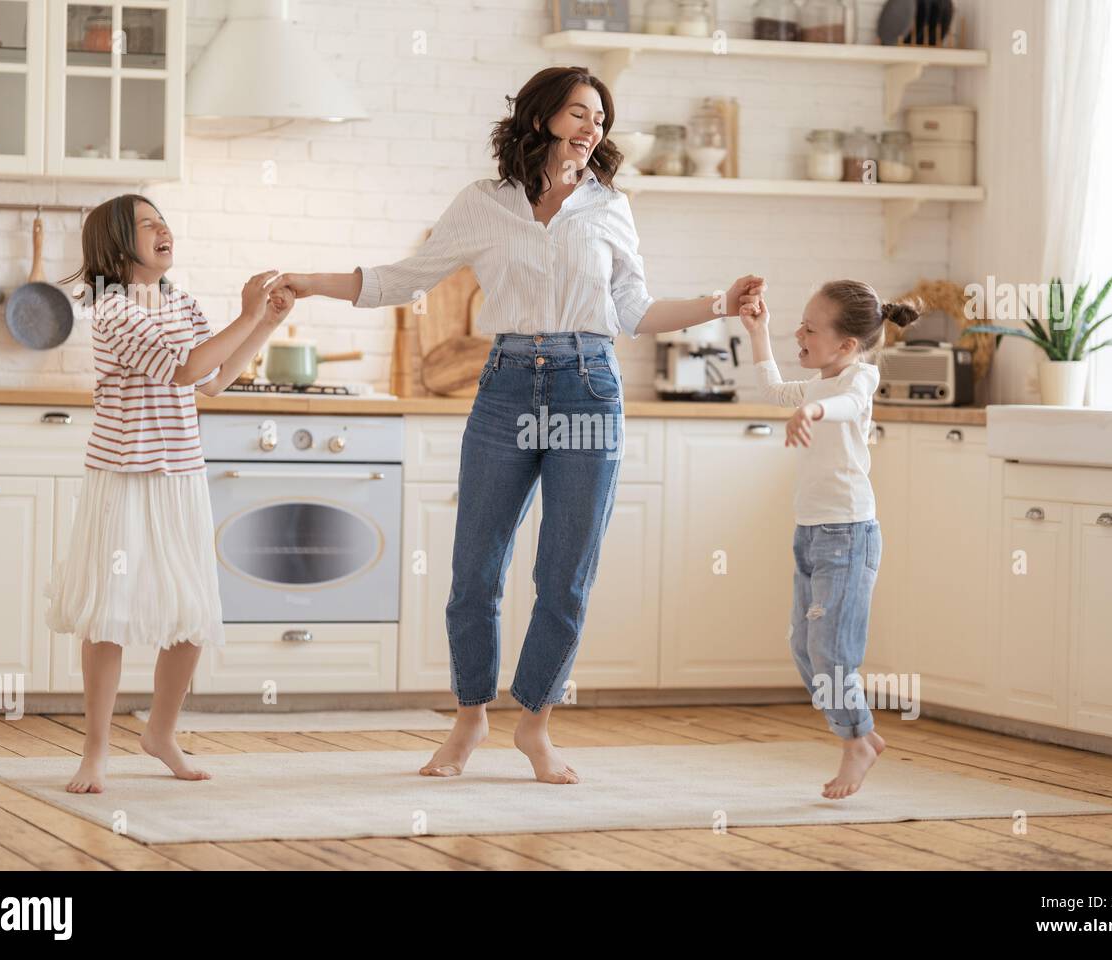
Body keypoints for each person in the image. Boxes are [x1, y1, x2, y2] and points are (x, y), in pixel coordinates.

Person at [275, 66, 765, 783]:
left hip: (589, 385)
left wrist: (719, 302)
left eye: (599, 118)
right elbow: (404, 279)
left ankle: (534, 723)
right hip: (506, 387)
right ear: (539, 118)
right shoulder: (484, 204)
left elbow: (633, 311)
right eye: (577, 113)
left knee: (564, 575)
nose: (591, 127)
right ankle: (469, 718)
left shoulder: (609, 208)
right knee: (475, 571)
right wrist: (310, 280)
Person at [48, 194, 293, 794]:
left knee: (190, 614)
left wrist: (266, 321)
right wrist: (246, 312)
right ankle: (96, 750)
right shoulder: (111, 310)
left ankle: (160, 734)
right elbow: (182, 369)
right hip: (125, 477)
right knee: (110, 615)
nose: (164, 229)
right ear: (115, 243)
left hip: (180, 477)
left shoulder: (181, 301)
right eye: (147, 224)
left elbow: (212, 382)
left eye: (164, 219)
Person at [740, 280, 920, 798]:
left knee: (832, 650)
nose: (799, 332)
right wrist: (759, 332)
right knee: (804, 645)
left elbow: (845, 405)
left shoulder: (860, 378)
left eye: (810, 328)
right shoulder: (821, 383)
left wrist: (815, 412)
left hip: (849, 535)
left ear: (846, 345)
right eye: (800, 323)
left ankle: (857, 742)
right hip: (811, 534)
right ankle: (857, 734)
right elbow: (774, 391)